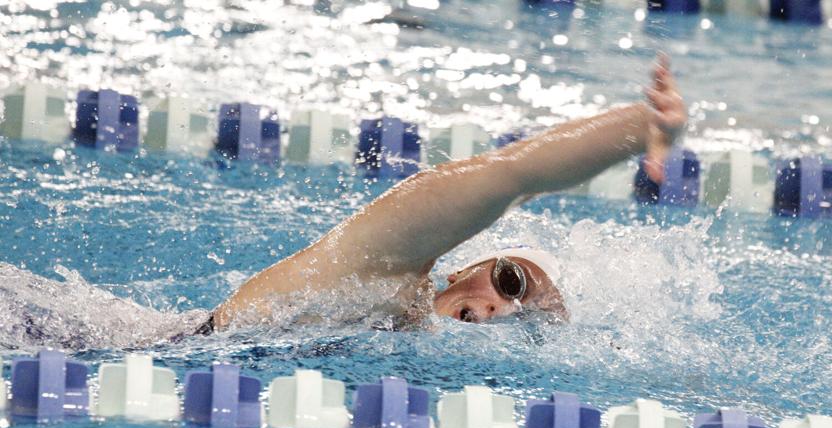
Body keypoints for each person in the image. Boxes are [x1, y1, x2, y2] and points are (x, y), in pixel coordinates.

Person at [198, 55, 685, 334]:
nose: (504, 308)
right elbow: (511, 176)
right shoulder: (380, 273)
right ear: (460, 270)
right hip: (159, 346)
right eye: (511, 283)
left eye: (526, 314)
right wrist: (639, 127)